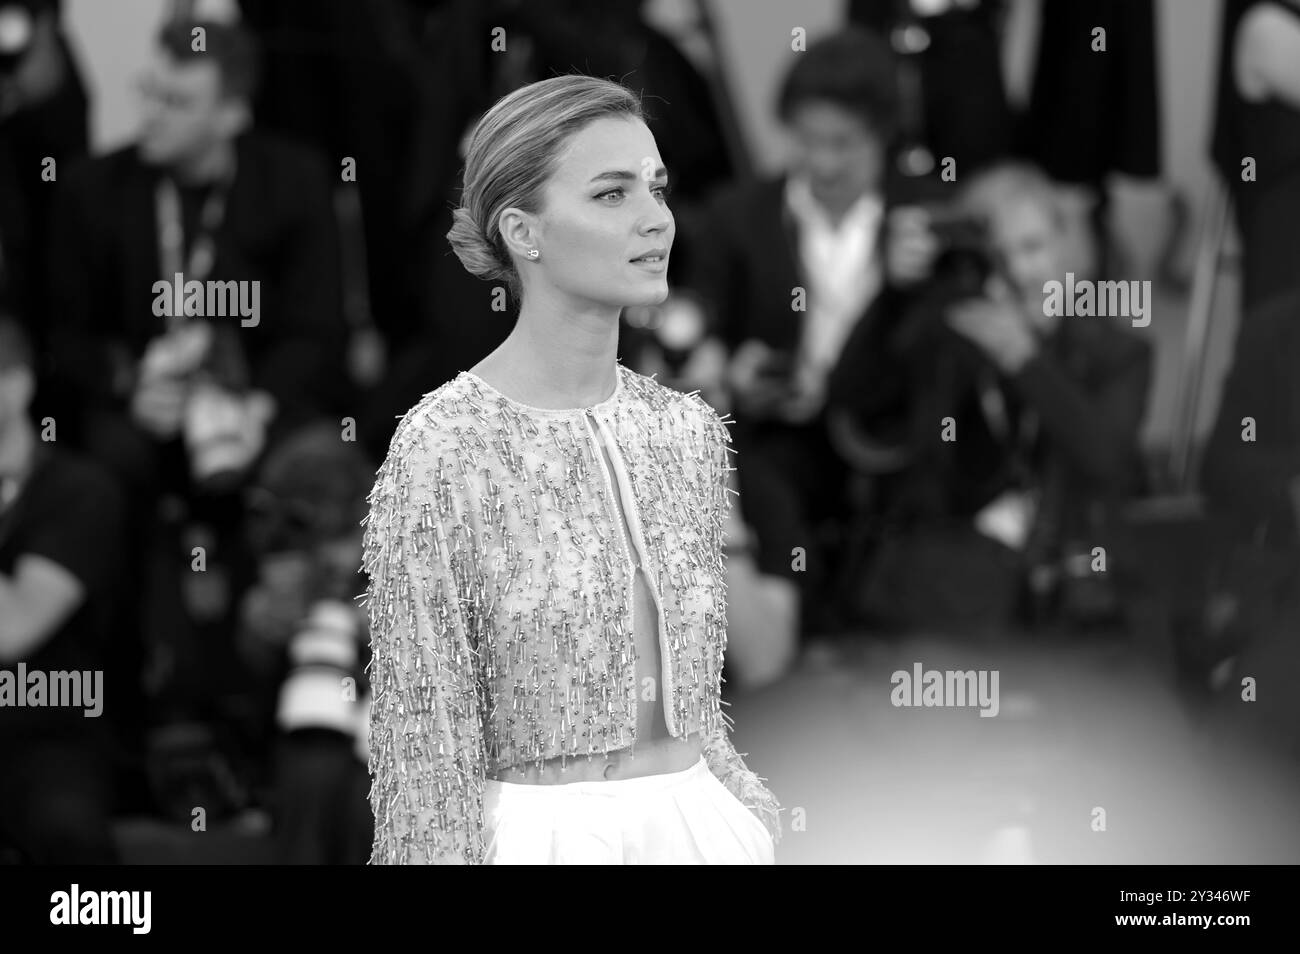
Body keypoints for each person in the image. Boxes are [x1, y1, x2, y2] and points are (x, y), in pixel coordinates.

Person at [363, 74, 779, 865]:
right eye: (612, 194)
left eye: (656, 189)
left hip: (702, 828)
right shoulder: (445, 446)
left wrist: (750, 820)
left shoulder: (686, 431)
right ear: (524, 231)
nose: (656, 219)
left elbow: (700, 705)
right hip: (542, 838)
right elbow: (423, 743)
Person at [829, 162, 1152, 634]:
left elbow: (1105, 457)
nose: (1021, 272)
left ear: (1068, 245)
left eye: (1033, 247)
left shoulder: (1119, 351)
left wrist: (1026, 362)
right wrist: (895, 294)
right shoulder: (947, 335)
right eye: (999, 256)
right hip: (954, 579)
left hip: (1078, 572)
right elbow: (851, 401)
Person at [0, 314, 126, 863]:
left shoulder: (78, 491)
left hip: (46, 733)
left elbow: (11, 629)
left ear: (17, 383)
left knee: (66, 831)